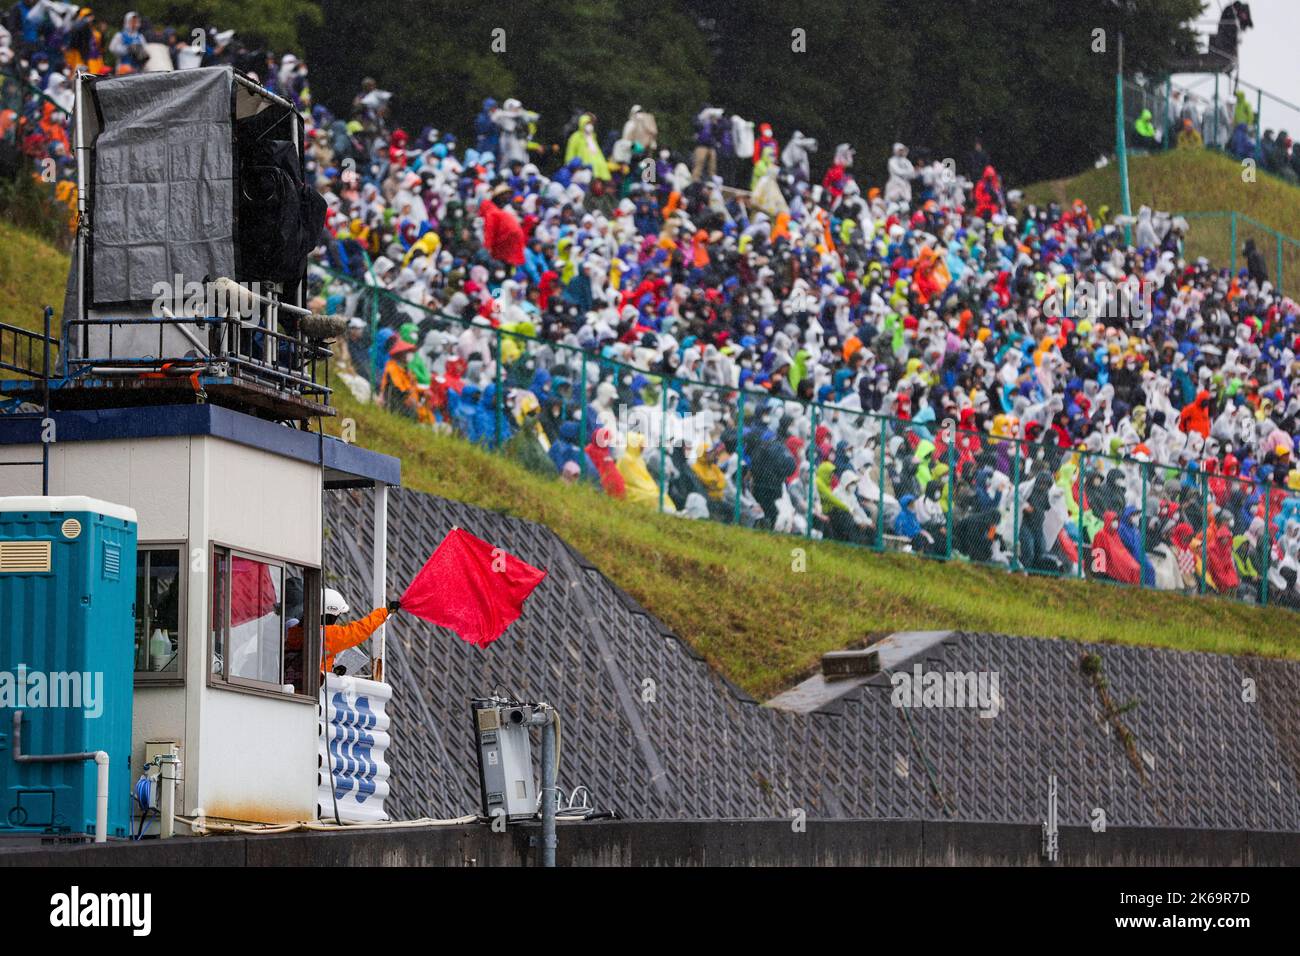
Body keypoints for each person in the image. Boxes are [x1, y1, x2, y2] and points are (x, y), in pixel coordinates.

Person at [286, 588, 401, 679]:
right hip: (313, 690)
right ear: (331, 614)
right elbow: (359, 631)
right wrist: (385, 612)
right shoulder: (327, 635)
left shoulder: (295, 629)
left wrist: (332, 670)